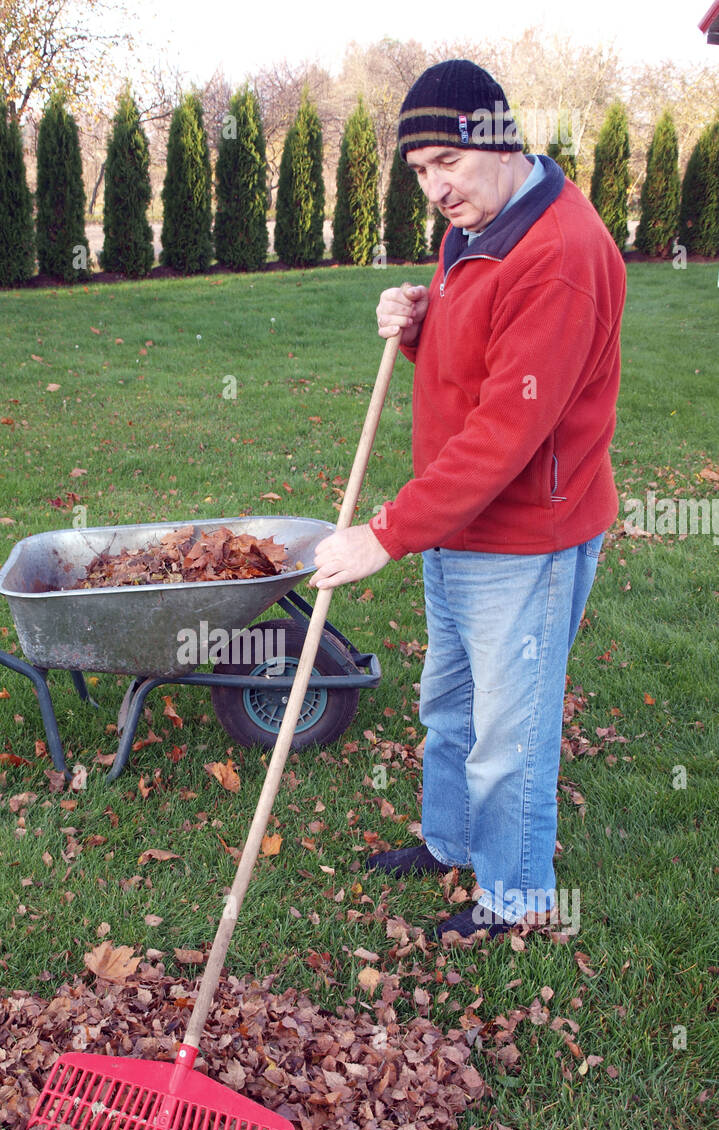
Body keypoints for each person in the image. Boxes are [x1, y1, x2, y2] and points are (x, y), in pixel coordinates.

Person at [310, 59, 627, 941]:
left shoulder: (557, 255)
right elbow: (481, 362)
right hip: (457, 525)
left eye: (446, 162)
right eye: (419, 170)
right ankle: (449, 842)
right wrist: (419, 329)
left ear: (499, 142)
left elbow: (504, 433)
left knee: (506, 733)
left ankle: (515, 896)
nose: (434, 188)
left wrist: (385, 534)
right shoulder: (477, 223)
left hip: (524, 538)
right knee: (447, 707)